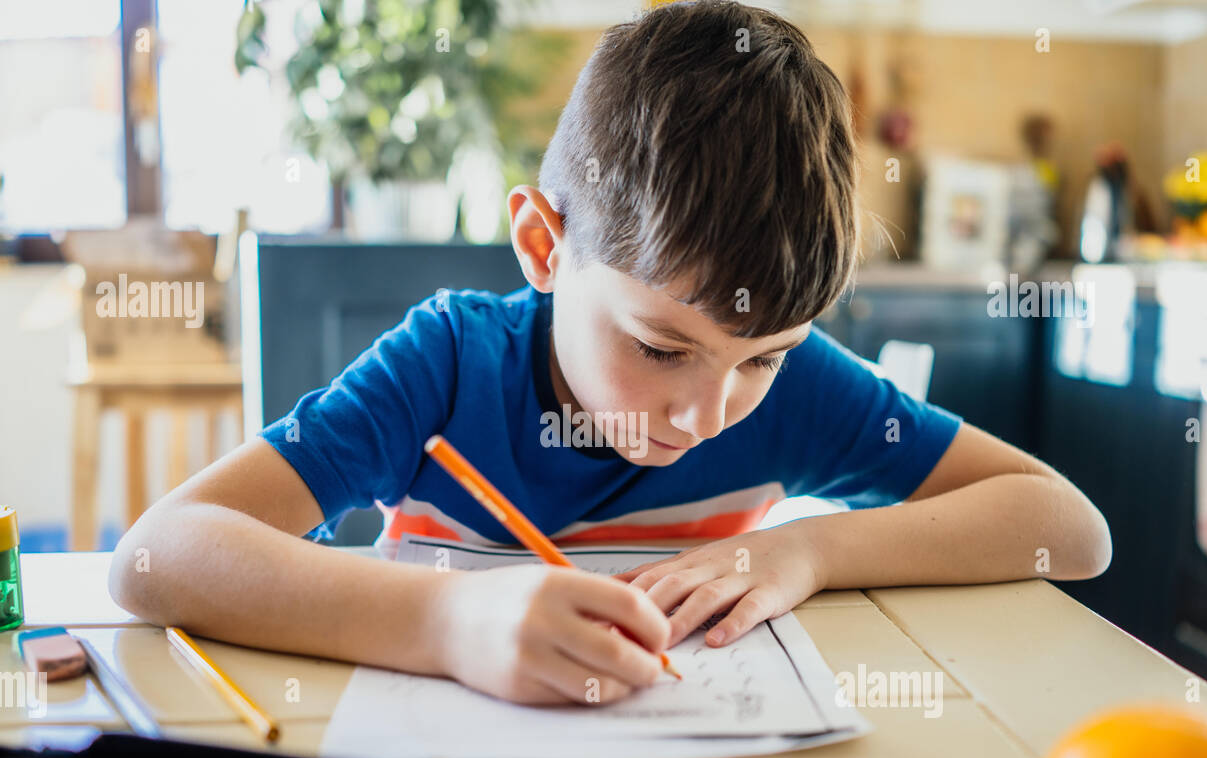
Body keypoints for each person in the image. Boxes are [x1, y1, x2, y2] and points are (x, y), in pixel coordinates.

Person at [110, 1, 1111, 706]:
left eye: (758, 357)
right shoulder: (445, 364)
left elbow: (1065, 526)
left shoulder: (790, 390)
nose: (705, 413)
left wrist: (807, 547)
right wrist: (451, 624)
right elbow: (160, 555)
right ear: (545, 247)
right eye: (660, 346)